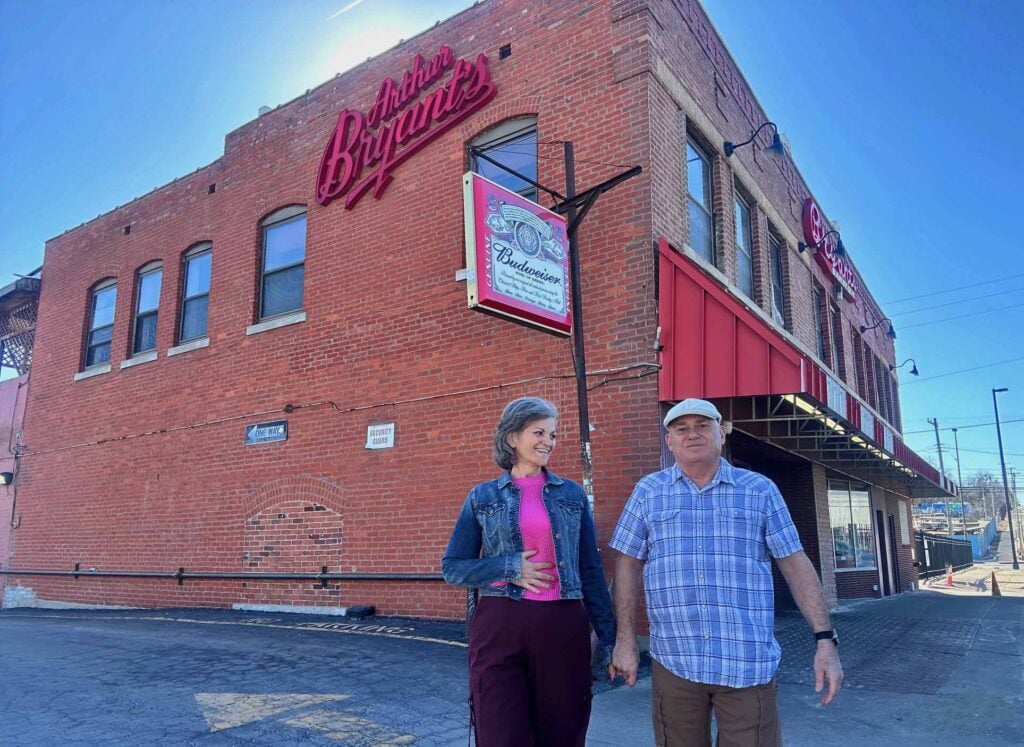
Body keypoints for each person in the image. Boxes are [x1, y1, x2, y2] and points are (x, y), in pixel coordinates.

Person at [608, 398, 843, 746]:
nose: (692, 435)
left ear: (721, 433)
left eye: (702, 426)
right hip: (675, 663)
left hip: (747, 664)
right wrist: (624, 640)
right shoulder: (648, 492)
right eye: (681, 429)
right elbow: (627, 563)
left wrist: (825, 641)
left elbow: (795, 563)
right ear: (669, 441)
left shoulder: (759, 491)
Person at [442, 396, 615, 747]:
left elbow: (590, 571)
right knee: (500, 731)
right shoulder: (482, 497)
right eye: (539, 432)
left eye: (553, 435)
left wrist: (612, 640)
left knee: (563, 731)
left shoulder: (572, 496)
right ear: (512, 438)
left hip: (562, 624)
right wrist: (508, 566)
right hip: (499, 624)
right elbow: (453, 567)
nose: (548, 442)